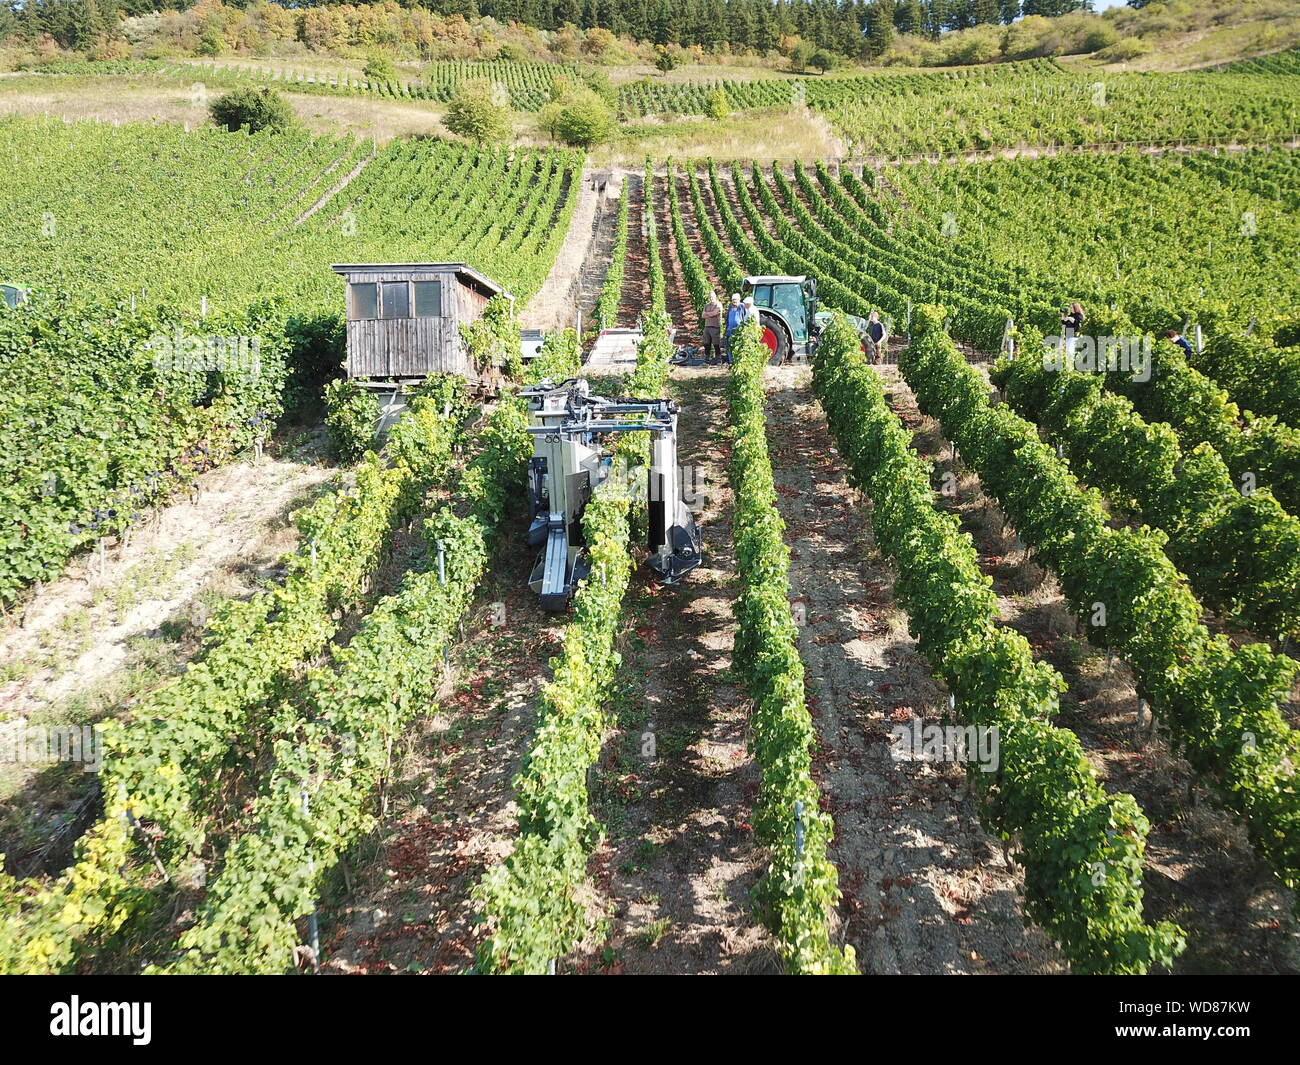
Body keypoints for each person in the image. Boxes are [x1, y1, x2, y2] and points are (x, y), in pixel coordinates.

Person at [702, 290, 723, 364]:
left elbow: (715, 313)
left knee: (716, 344)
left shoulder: (718, 304)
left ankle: (718, 359)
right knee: (706, 344)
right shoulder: (706, 305)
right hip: (707, 326)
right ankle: (707, 359)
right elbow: (703, 315)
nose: (711, 298)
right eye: (710, 296)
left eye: (712, 296)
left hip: (715, 326)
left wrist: (708, 314)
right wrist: (711, 314)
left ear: (715, 296)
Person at [724, 293, 745, 360]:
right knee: (730, 345)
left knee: (738, 345)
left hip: (739, 330)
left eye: (735, 300)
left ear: (739, 299)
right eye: (733, 300)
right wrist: (726, 327)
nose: (734, 301)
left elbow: (744, 317)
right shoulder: (730, 307)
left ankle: (738, 360)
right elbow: (727, 318)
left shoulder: (742, 307)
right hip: (730, 330)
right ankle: (731, 360)